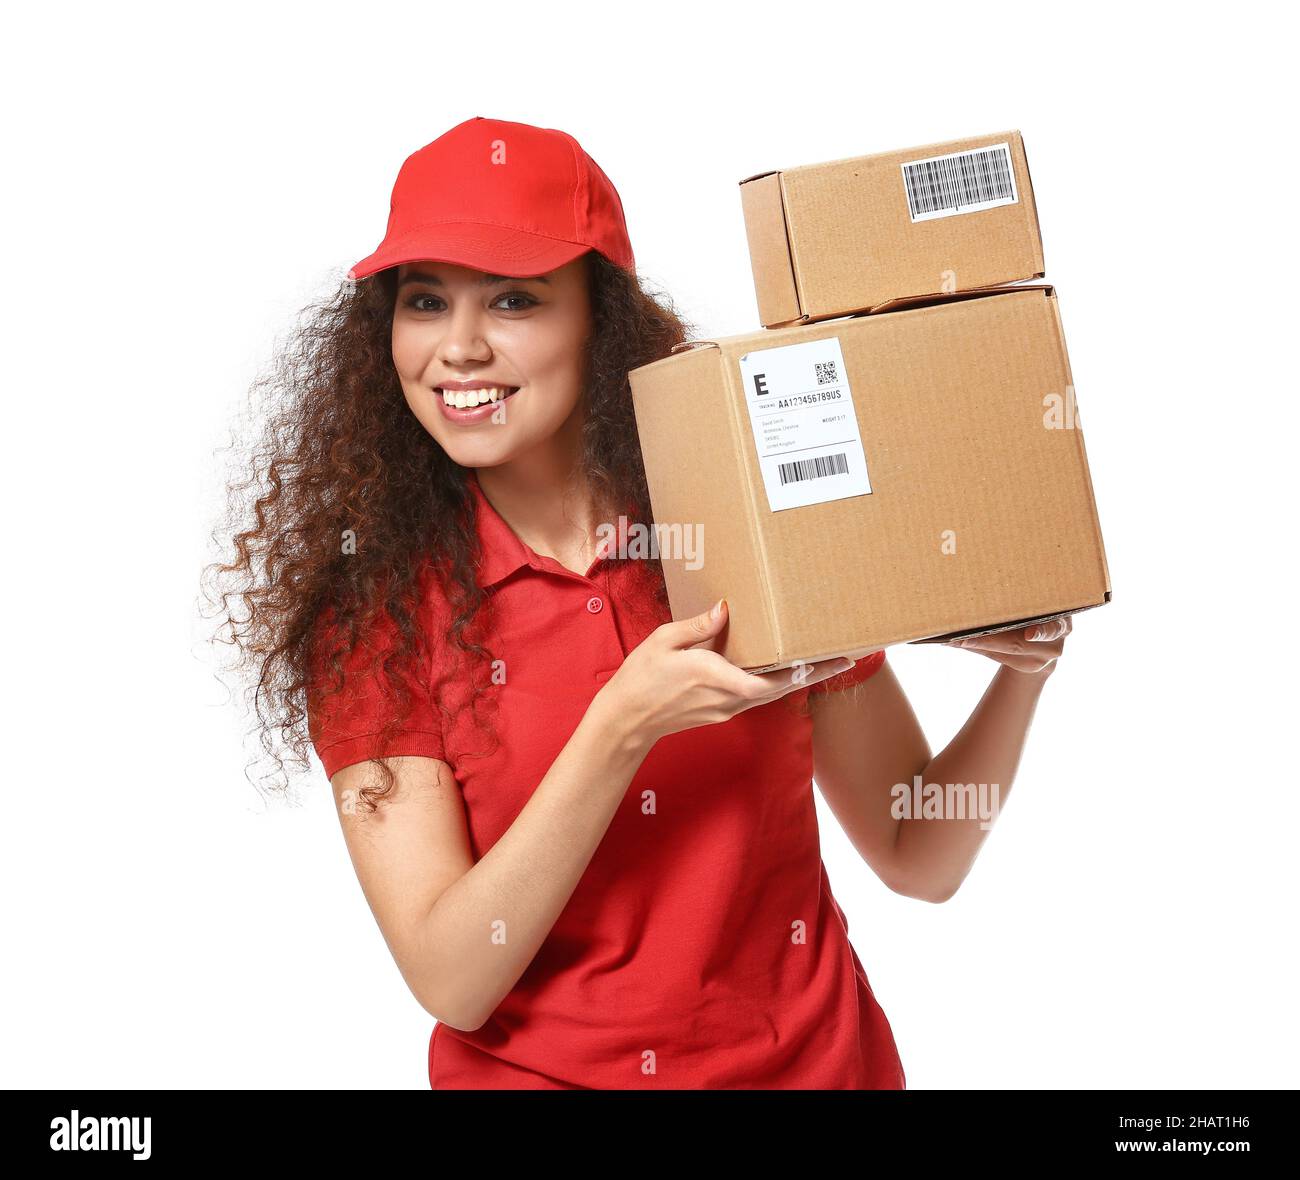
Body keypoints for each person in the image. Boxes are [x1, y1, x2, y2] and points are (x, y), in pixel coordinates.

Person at [206, 115, 1071, 1089]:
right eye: (423, 301)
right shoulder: (377, 621)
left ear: (598, 319)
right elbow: (452, 978)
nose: (458, 347)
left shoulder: (743, 525)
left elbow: (920, 854)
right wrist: (621, 724)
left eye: (513, 300)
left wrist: (1023, 671)